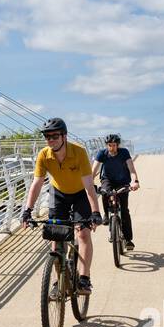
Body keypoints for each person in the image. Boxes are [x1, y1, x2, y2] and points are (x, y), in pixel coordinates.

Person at [20, 117, 102, 294]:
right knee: (56, 238)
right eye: (47, 137)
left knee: (84, 234)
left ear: (64, 136)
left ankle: (84, 279)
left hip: (81, 194)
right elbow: (36, 184)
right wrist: (27, 211)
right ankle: (60, 281)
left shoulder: (79, 152)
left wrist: (95, 212)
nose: (51, 140)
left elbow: (89, 187)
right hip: (59, 194)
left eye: (55, 136)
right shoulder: (44, 155)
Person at [92, 133, 139, 249]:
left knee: (124, 211)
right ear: (106, 145)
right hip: (107, 179)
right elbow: (93, 170)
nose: (112, 148)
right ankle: (106, 215)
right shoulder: (102, 154)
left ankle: (128, 240)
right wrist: (89, 183)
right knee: (104, 191)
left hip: (123, 181)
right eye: (109, 145)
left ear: (118, 145)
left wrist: (135, 181)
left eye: (114, 145)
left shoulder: (124, 153)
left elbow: (132, 169)